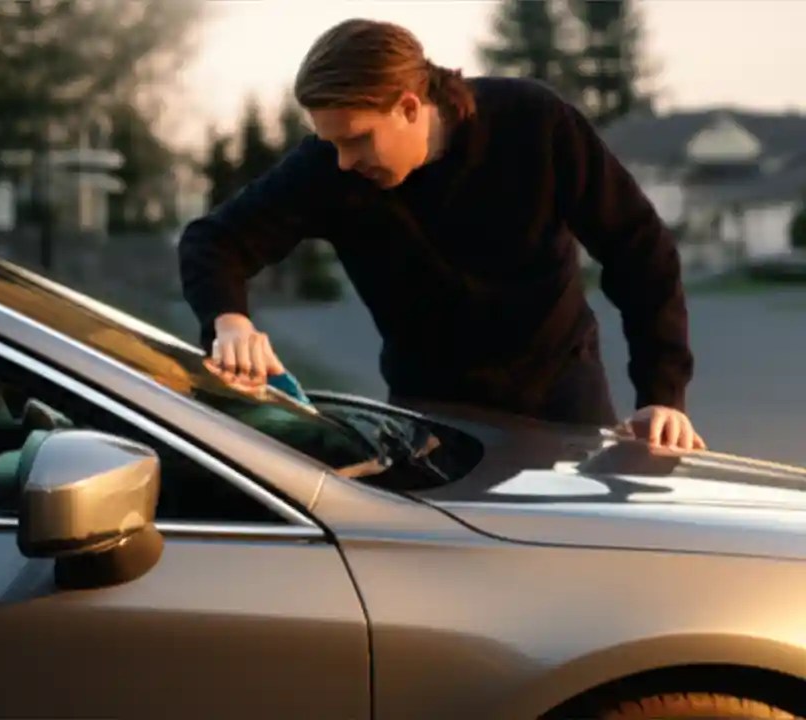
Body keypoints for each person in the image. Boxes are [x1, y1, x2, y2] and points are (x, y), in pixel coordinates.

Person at [177, 18, 706, 451]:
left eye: (358, 140)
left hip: (562, 404)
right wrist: (230, 322)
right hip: (430, 421)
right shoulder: (328, 170)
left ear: (409, 106)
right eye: (330, 143)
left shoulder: (534, 124)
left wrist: (662, 395)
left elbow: (640, 248)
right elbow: (213, 242)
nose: (343, 161)